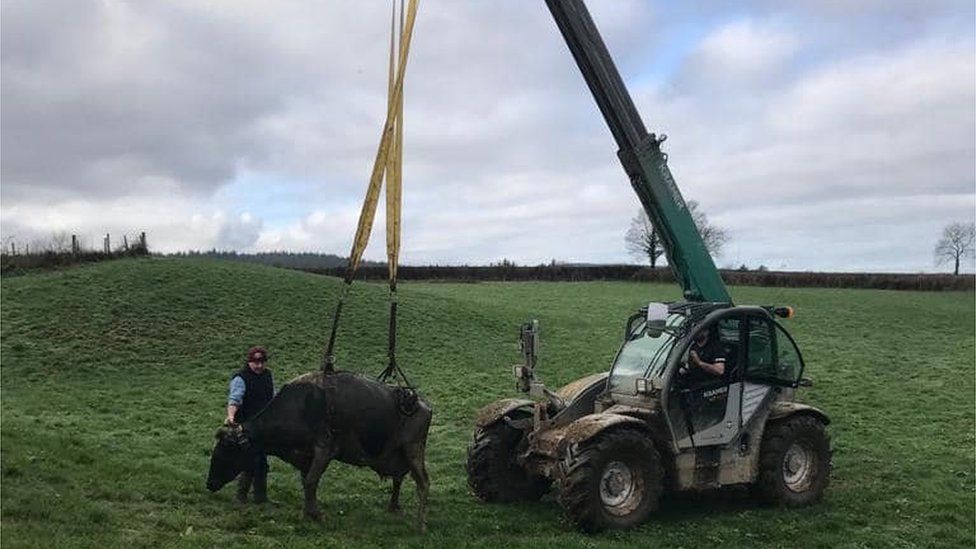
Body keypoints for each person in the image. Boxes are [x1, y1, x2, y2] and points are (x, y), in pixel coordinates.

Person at [225, 345, 275, 504]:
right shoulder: (241, 378)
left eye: (262, 362)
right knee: (250, 462)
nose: (259, 366)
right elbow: (235, 399)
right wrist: (231, 416)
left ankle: (260, 498)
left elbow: (272, 397)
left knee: (261, 461)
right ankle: (241, 497)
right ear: (249, 362)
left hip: (263, 425)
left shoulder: (268, 375)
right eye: (255, 362)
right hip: (245, 427)